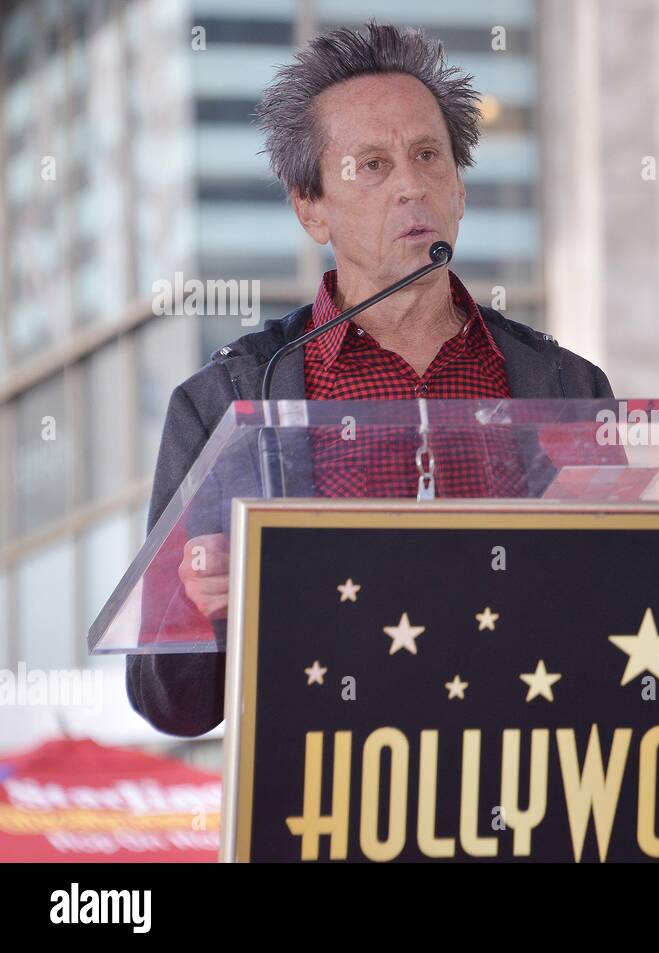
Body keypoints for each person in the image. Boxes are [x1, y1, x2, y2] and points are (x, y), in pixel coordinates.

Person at [127, 22, 612, 737]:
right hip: (323, 803)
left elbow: (623, 625)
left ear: (460, 187)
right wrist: (203, 608)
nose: (411, 185)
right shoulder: (231, 401)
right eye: (373, 165)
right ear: (311, 207)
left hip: (526, 795)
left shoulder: (566, 386)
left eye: (427, 156)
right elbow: (173, 703)